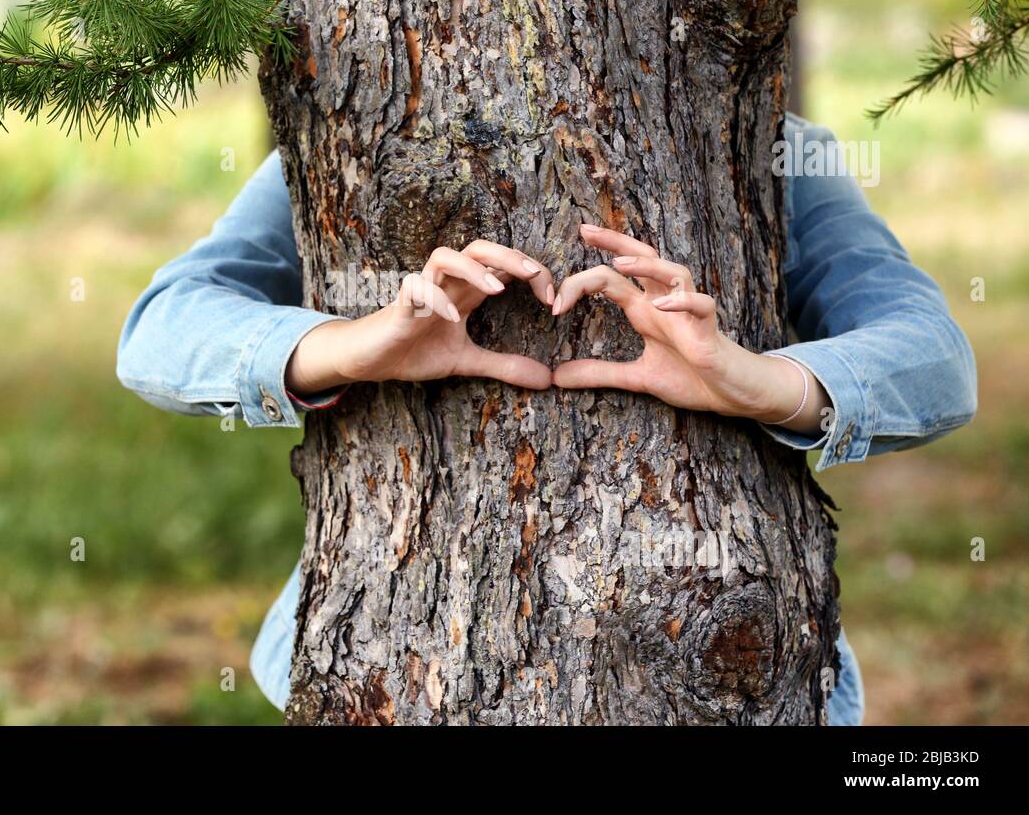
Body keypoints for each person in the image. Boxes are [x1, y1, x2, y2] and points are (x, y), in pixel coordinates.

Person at [117, 114, 978, 725]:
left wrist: (756, 381)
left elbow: (936, 358)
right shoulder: (343, 132)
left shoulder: (778, 149)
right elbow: (160, 330)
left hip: (726, 669)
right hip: (384, 662)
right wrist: (352, 345)